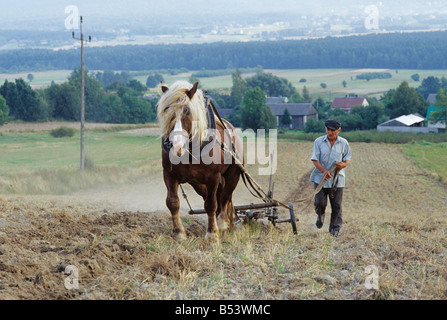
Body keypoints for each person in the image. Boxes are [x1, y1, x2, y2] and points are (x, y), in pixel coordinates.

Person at [310, 119, 352, 237]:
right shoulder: (318, 142)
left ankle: (335, 229)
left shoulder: (344, 143)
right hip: (320, 179)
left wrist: (343, 165)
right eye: (328, 129)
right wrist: (323, 171)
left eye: (333, 130)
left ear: (338, 130)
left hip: (337, 180)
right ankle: (320, 215)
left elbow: (347, 158)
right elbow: (314, 159)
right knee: (319, 202)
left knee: (337, 205)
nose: (330, 132)